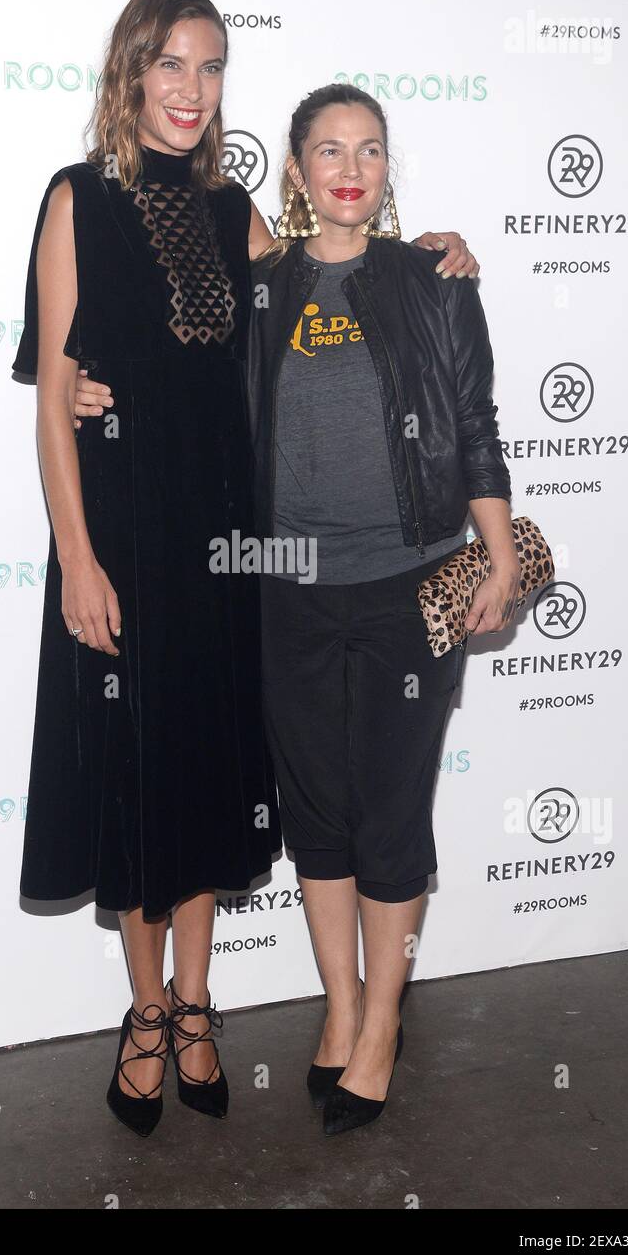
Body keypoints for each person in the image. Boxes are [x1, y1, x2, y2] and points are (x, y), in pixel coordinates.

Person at [45, 0, 479, 1139]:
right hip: (130, 541)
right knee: (145, 783)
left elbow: (325, 263)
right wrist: (78, 546)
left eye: (212, 68)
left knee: (203, 773)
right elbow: (52, 396)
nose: (192, 91)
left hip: (232, 558)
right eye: (172, 67)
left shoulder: (237, 209)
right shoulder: (76, 198)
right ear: (133, 71)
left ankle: (198, 1005)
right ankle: (147, 1015)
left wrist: (433, 248)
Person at [247, 83, 518, 1135]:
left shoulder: (431, 280)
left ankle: (381, 1027)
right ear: (298, 170)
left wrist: (497, 555)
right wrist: (84, 388)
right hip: (286, 589)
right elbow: (185, 389)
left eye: (367, 149)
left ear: (386, 168)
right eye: (327, 150)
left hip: (411, 585)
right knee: (315, 811)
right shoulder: (260, 289)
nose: (348, 167)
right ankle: (342, 1004)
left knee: (389, 812)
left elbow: (475, 423)